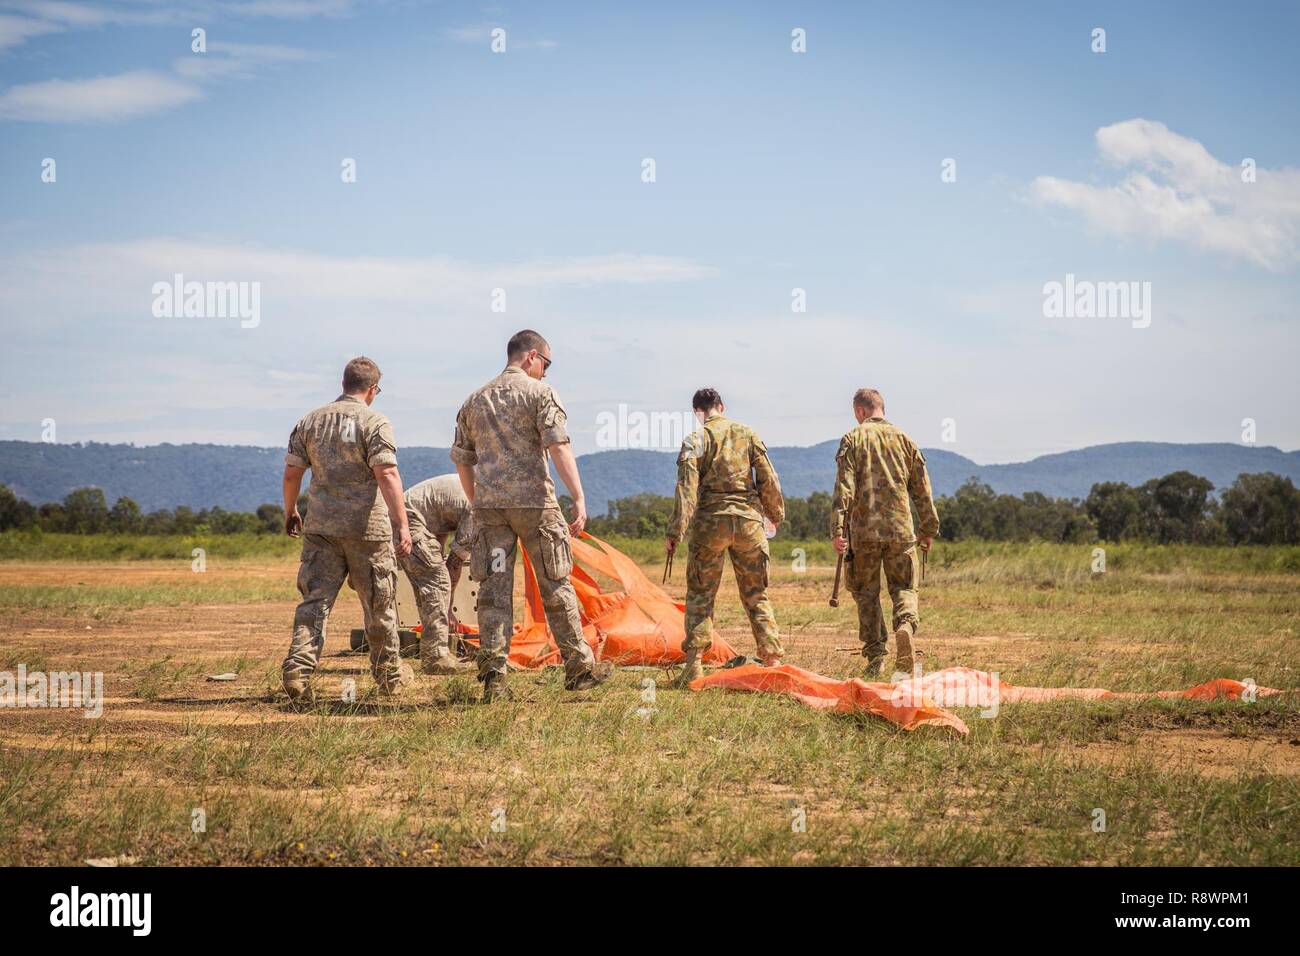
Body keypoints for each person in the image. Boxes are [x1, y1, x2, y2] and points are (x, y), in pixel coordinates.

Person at [450, 329, 612, 702]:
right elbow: (558, 445)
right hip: (536, 507)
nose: (547, 372)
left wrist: (478, 501)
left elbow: (462, 460)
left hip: (492, 512)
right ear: (531, 357)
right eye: (547, 364)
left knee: (493, 591)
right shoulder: (540, 394)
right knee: (555, 584)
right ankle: (579, 668)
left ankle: (494, 677)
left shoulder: (475, 400)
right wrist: (579, 495)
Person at [281, 356, 414, 703]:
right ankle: (389, 677)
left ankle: (297, 671)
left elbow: (292, 473)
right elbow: (387, 474)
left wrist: (292, 509)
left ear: (343, 384)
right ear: (372, 389)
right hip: (366, 530)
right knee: (379, 605)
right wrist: (402, 524)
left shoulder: (310, 421)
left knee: (314, 604)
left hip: (321, 526)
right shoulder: (375, 422)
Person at [665, 388, 785, 687]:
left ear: (697, 411)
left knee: (701, 595)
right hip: (748, 521)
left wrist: (675, 532)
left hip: (710, 524)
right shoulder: (748, 434)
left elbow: (686, 490)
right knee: (756, 594)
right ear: (722, 406)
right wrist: (775, 514)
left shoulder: (695, 440)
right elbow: (768, 477)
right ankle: (772, 660)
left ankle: (694, 666)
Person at [830, 388, 939, 678]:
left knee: (866, 593)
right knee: (903, 587)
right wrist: (928, 528)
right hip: (900, 530)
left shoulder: (852, 439)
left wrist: (837, 529)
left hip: (863, 533)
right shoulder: (906, 441)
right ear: (881, 408)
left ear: (860, 412)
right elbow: (922, 490)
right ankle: (905, 626)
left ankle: (875, 657)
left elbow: (844, 489)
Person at [400, 473, 474, 675]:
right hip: (409, 520)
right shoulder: (478, 508)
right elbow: (454, 563)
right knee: (438, 583)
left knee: (431, 584)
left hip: (405, 517)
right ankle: (436, 657)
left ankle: (435, 652)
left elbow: (438, 532)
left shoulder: (470, 491)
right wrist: (448, 609)